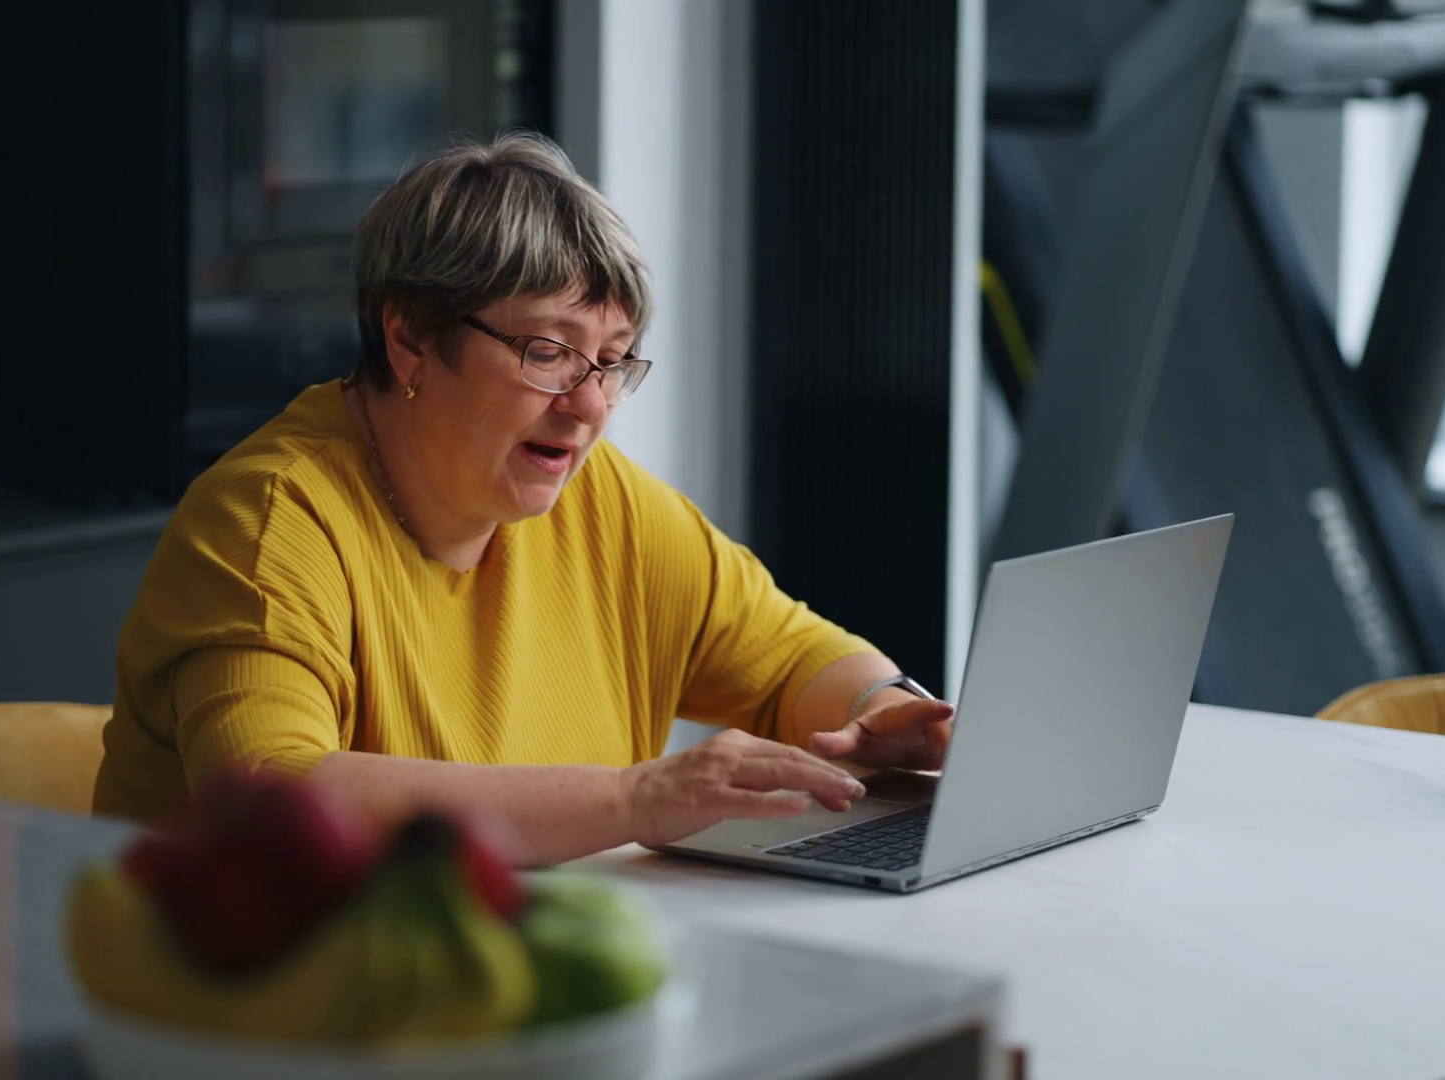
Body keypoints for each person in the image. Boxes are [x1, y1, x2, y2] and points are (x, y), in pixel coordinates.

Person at [94, 133, 953, 863]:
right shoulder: (269, 523)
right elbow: (272, 798)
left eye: (613, 359)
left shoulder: (598, 500)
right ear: (410, 338)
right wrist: (632, 801)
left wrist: (884, 710)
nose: (589, 405)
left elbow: (790, 657)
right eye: (548, 350)